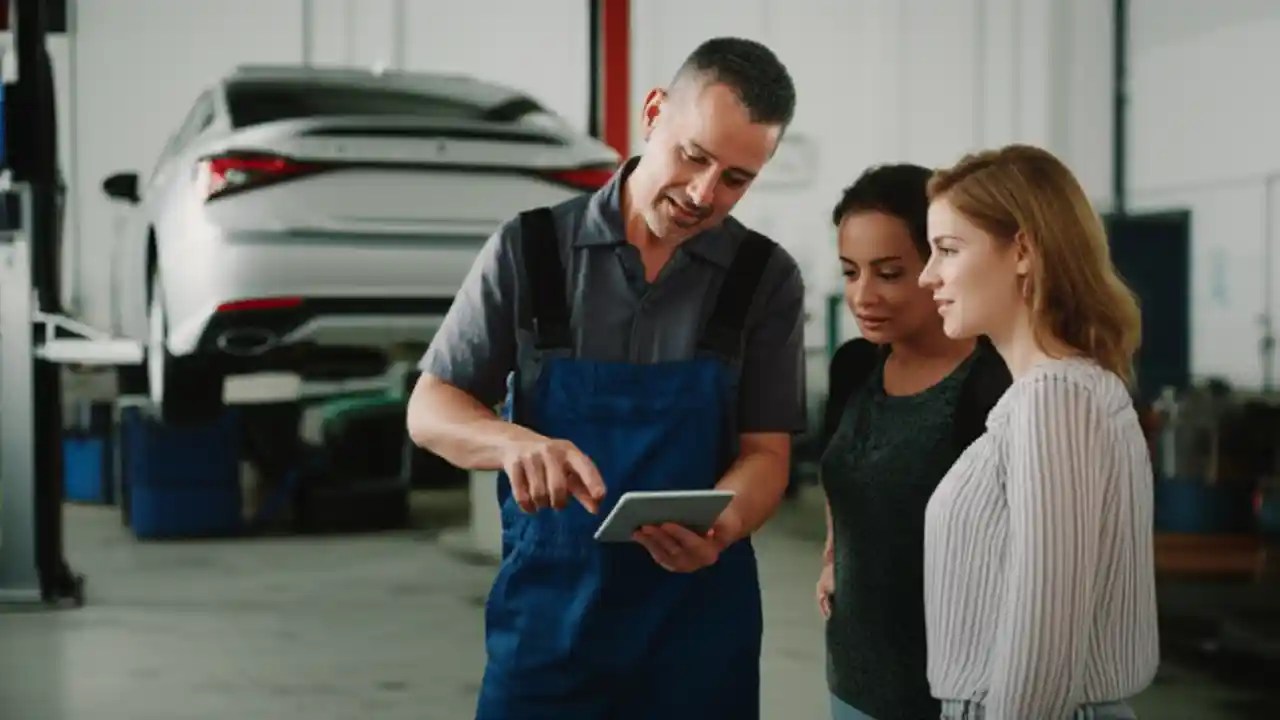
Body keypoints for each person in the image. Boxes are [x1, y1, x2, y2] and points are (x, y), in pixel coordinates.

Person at [406, 37, 805, 720]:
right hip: (549, 626)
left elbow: (766, 455)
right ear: (654, 113)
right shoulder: (530, 252)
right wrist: (512, 445)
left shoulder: (764, 279)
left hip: (698, 636)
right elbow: (432, 408)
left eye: (736, 178)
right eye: (694, 156)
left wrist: (724, 521)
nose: (705, 193)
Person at [918, 144, 1160, 720]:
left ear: (1023, 250)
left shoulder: (1055, 400)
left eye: (948, 250)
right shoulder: (1052, 395)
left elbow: (1044, 630)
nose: (929, 276)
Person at [815, 164, 1010, 720]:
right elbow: (844, 468)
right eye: (850, 272)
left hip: (953, 691)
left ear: (941, 263)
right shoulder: (855, 367)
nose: (863, 295)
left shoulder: (993, 380)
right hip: (852, 676)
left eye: (890, 272)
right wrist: (836, 554)